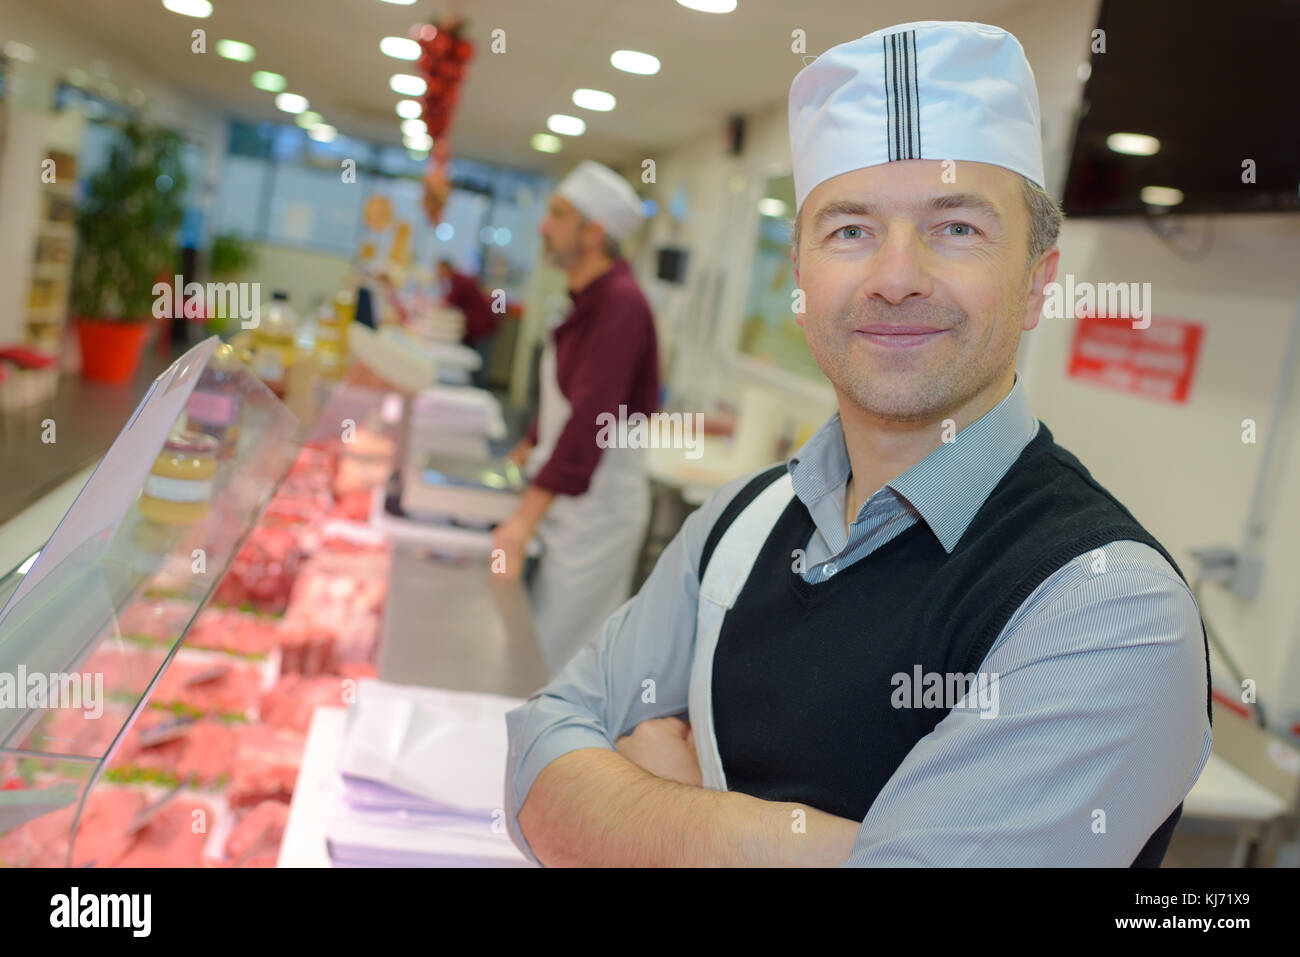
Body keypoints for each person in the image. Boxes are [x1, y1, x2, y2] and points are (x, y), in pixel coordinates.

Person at [503, 20, 1212, 867]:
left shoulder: (1106, 607)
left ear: (1037, 283)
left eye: (956, 228)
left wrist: (673, 805)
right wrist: (773, 839)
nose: (895, 275)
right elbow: (535, 758)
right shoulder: (745, 520)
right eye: (850, 231)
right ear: (799, 279)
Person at [492, 160, 660, 677]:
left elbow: (590, 420)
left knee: (551, 659)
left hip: (597, 515)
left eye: (558, 215)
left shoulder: (622, 306)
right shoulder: (588, 298)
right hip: (570, 505)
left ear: (594, 233)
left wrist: (522, 522)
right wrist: (529, 445)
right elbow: (568, 397)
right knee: (533, 639)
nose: (544, 227)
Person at [437, 258, 500, 386]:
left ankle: (480, 390)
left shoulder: (458, 280)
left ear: (445, 268)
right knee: (477, 362)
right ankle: (476, 386)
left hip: (483, 326)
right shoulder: (457, 279)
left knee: (480, 364)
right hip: (478, 326)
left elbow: (449, 302)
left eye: (439, 270)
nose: (437, 273)